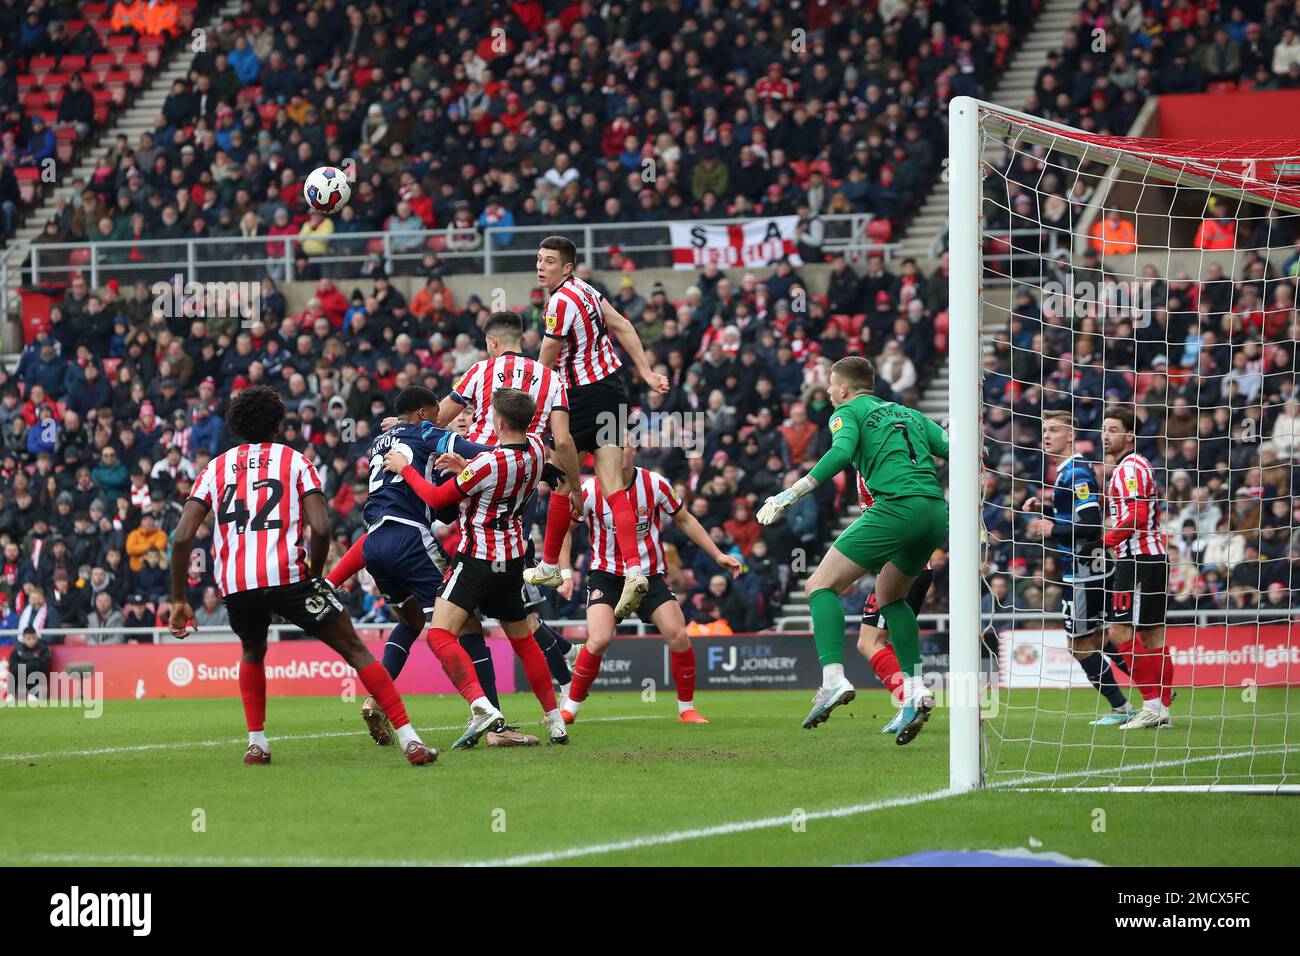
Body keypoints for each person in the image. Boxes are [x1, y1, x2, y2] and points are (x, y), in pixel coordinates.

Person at [168, 385, 435, 766]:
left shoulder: (215, 467)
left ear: (235, 425)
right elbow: (322, 529)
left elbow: (181, 539)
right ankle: (410, 739)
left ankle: (257, 743)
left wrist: (179, 600)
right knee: (355, 650)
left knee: (252, 650)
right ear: (278, 422)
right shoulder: (294, 461)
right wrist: (311, 576)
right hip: (288, 575)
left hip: (237, 582)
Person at [756, 355, 948, 743]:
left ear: (844, 389)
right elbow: (951, 446)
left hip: (896, 508)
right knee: (891, 597)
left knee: (818, 586)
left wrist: (792, 493)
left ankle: (832, 680)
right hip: (935, 513)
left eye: (830, 385)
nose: (827, 391)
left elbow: (842, 453)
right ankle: (912, 688)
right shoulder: (907, 413)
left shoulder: (846, 412)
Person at [382, 388, 570, 746]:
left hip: (478, 559)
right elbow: (499, 475)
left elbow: (438, 499)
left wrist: (406, 469)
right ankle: (554, 721)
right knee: (523, 641)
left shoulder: (488, 464)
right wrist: (464, 467)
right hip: (512, 558)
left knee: (438, 634)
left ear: (498, 422)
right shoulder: (535, 450)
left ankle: (482, 706)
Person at [331, 385, 516, 749]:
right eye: (434, 411)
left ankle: (375, 700)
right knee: (463, 623)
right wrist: (514, 456)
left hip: (375, 542)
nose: (439, 417)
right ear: (420, 413)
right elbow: (477, 453)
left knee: (410, 620)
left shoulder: (380, 442)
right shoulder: (427, 432)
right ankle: (488, 714)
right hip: (410, 538)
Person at [527, 236, 670, 621]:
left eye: (550, 261)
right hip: (613, 388)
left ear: (567, 267)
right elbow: (622, 325)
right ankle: (636, 569)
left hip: (578, 398)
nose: (542, 267)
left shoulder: (558, 303)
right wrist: (645, 371)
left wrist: (530, 404)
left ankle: (551, 565)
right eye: (539, 260)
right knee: (613, 487)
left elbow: (546, 359)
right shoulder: (588, 291)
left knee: (560, 482)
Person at [558, 441, 742, 725]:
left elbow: (685, 519)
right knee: (599, 639)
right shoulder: (591, 489)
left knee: (678, 635)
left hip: (648, 575)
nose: (617, 453)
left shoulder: (654, 483)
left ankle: (686, 709)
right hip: (606, 576)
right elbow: (564, 530)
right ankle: (570, 709)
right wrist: (567, 573)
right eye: (610, 448)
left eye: (623, 447)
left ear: (634, 450)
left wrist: (718, 555)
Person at [1021, 411, 1135, 725]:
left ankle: (1122, 707)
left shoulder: (1077, 473)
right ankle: (1155, 687)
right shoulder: (1067, 472)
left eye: (1054, 430)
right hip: (1091, 570)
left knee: (1077, 645)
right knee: (1100, 639)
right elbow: (1072, 512)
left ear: (1070, 436)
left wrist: (1050, 529)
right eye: (1044, 430)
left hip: (1084, 572)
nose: (1046, 436)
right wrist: (1045, 507)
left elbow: (1088, 524)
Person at [1101, 406, 1173, 730]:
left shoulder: (1130, 467)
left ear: (1129, 435)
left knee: (1119, 632)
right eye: (1104, 429)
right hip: (1150, 557)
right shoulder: (1133, 465)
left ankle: (1152, 704)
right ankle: (1162, 709)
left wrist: (1108, 539)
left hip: (1138, 559)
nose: (1106, 435)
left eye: (1113, 429)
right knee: (1153, 636)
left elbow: (1138, 515)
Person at [852, 470, 936, 735]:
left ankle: (910, 697)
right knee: (895, 640)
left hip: (897, 568)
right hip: (918, 567)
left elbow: (884, 522)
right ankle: (911, 697)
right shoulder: (895, 462)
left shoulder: (873, 468)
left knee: (869, 641)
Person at [9, 626, 52, 698]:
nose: (32, 641)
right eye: (28, 638)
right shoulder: (17, 650)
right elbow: (12, 666)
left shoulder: (43, 648)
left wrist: (26, 664)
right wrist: (30, 663)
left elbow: (43, 665)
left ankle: (34, 694)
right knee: (16, 671)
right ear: (23, 639)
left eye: (34, 638)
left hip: (37, 681)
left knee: (35, 672)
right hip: (21, 681)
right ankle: (11, 695)